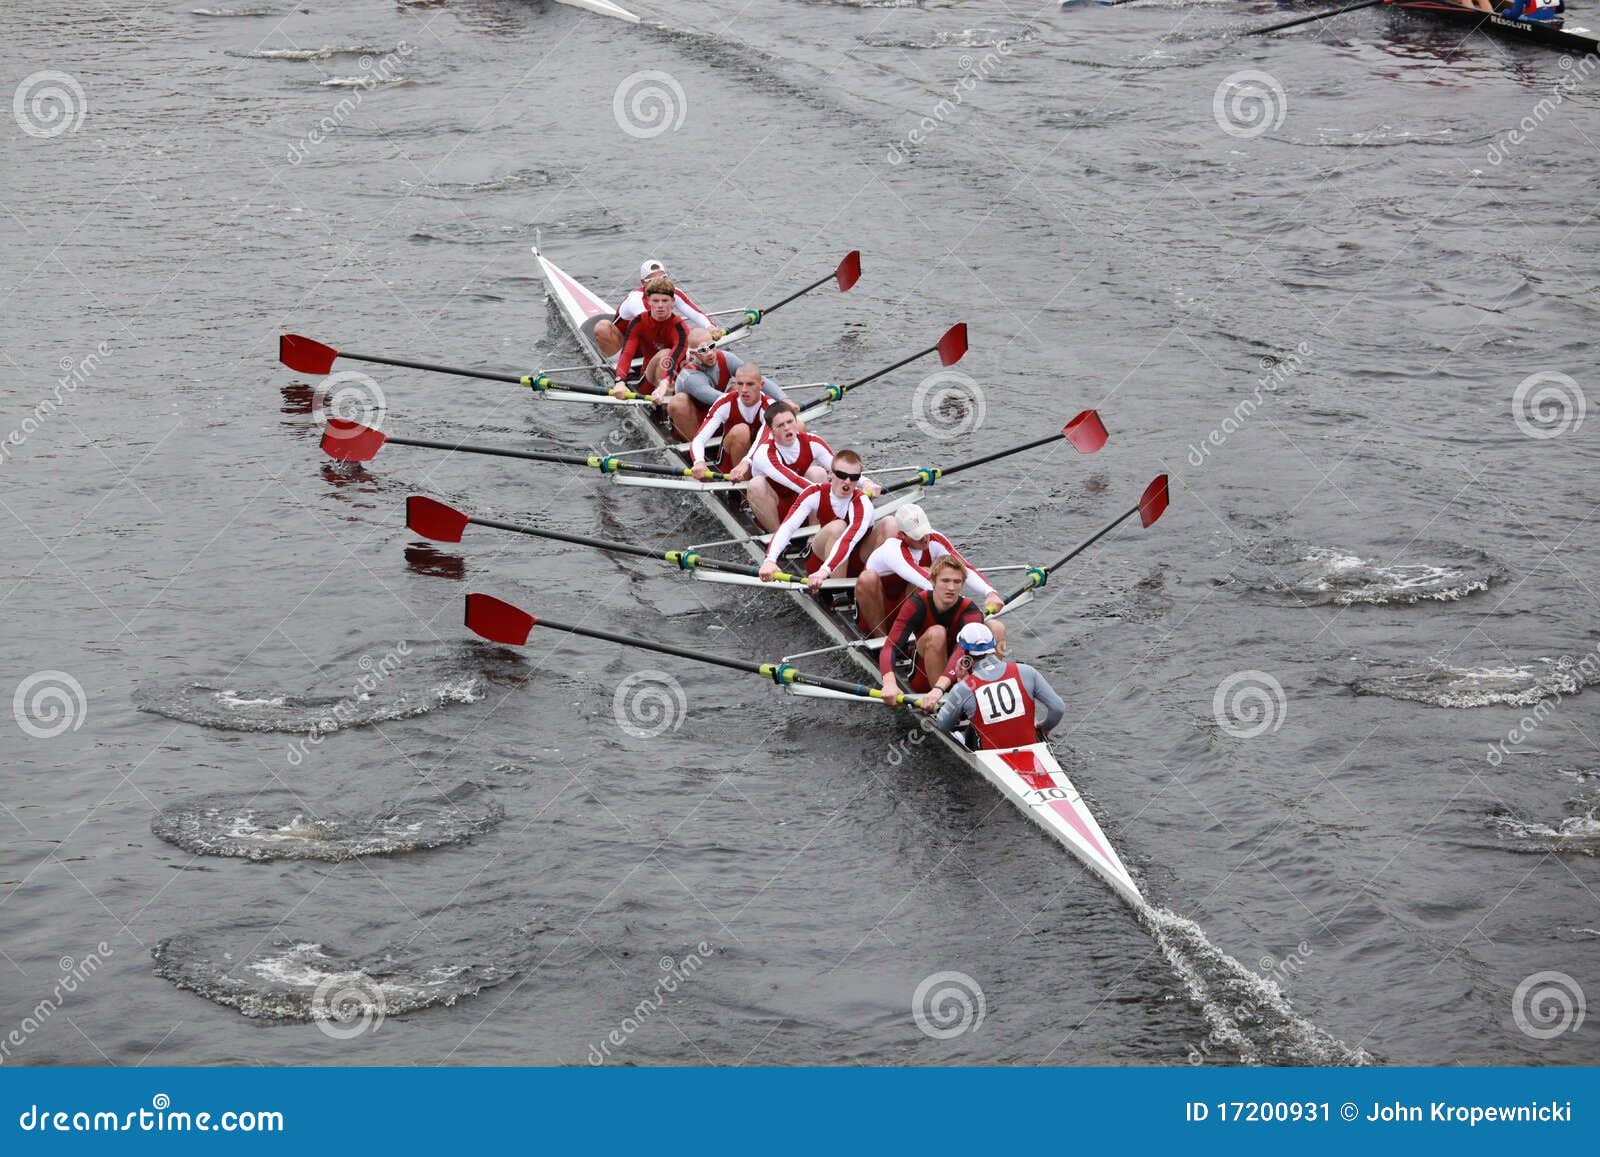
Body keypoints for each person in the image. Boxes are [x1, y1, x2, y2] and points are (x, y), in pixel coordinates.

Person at [854, 502, 1004, 636]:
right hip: (875, 612)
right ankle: (881, 641)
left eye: (925, 531)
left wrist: (989, 592)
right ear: (902, 535)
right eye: (918, 536)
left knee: (934, 577)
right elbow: (925, 580)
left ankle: (912, 636)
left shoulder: (935, 538)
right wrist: (968, 610)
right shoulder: (892, 550)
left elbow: (963, 567)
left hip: (904, 607)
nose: (925, 538)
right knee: (868, 578)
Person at [758, 450, 888, 592]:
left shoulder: (863, 503)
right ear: (830, 473)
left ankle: (879, 586)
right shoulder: (814, 493)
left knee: (890, 524)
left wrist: (825, 571)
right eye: (842, 475)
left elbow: (849, 540)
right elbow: (788, 527)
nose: (847, 482)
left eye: (854, 477)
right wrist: (770, 560)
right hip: (823, 563)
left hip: (855, 560)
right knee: (838, 527)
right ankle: (838, 594)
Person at [879, 556, 1007, 699]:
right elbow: (890, 647)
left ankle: (990, 687)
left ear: (962, 584)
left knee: (996, 628)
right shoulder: (915, 605)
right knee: (937, 632)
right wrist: (889, 682)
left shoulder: (970, 610)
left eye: (957, 582)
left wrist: (942, 686)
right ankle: (940, 701)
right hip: (924, 678)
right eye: (945, 581)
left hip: (960, 672)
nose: (951, 588)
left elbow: (962, 650)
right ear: (932, 581)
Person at [929, 623, 1065, 750]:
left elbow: (942, 726)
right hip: (1030, 746)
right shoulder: (1027, 671)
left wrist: (960, 683)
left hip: (989, 754)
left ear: (964, 651)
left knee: (964, 730)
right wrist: (1044, 727)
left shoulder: (964, 688)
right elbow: (1058, 708)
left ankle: (962, 737)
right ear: (993, 645)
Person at [668, 330, 785, 442]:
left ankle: (750, 436)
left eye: (712, 347)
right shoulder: (690, 376)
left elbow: (756, 379)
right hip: (694, 423)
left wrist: (783, 399)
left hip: (717, 416)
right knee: (679, 401)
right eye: (703, 350)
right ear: (693, 354)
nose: (710, 353)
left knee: (740, 386)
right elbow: (717, 398)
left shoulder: (726, 357)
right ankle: (697, 450)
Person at [734, 401, 833, 531]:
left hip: (802, 503)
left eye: (790, 422)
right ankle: (778, 538)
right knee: (756, 484)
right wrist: (830, 495)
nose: (787, 428)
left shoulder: (813, 441)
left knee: (818, 472)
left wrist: (864, 483)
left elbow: (841, 470)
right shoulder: (764, 453)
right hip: (775, 509)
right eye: (780, 425)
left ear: (796, 421)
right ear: (771, 431)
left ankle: (814, 536)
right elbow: (792, 481)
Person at [593, 260, 720, 358]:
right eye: (652, 280)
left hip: (652, 344)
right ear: (643, 283)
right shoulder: (635, 300)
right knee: (602, 327)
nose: (659, 284)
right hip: (626, 345)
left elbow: (696, 314)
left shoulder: (674, 292)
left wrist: (710, 327)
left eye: (663, 278)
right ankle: (618, 367)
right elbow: (652, 328)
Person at [611, 277, 691, 400]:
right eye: (656, 300)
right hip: (649, 380)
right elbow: (627, 353)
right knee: (664, 353)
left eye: (665, 300)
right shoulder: (638, 322)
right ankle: (662, 411)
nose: (660, 305)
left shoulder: (680, 328)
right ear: (648, 301)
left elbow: (673, 359)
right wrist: (620, 381)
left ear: (673, 301)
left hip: (674, 378)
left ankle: (667, 403)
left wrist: (664, 384)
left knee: (669, 354)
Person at [688, 363, 773, 478]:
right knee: (741, 431)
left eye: (750, 384)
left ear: (761, 385)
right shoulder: (725, 402)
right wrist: (699, 462)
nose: (744, 390)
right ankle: (742, 492)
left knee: (797, 426)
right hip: (729, 466)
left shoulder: (770, 407)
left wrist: (746, 461)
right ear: (735, 384)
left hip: (757, 462)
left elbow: (763, 441)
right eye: (740, 384)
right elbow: (700, 438)